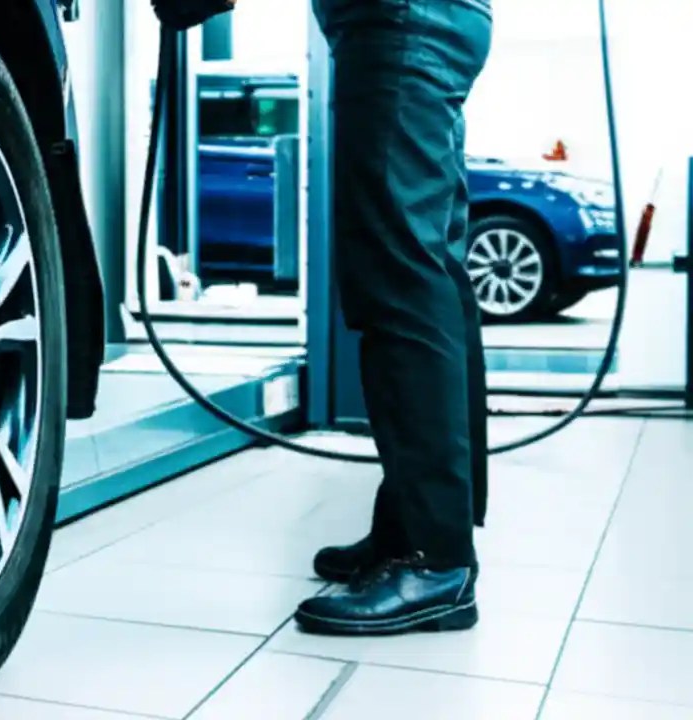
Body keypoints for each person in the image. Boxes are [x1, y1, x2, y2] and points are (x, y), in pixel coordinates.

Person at [295, 0, 495, 636]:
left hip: (402, 18)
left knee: (400, 276)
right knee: (430, 263)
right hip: (428, 19)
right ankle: (418, 526)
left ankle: (434, 561)